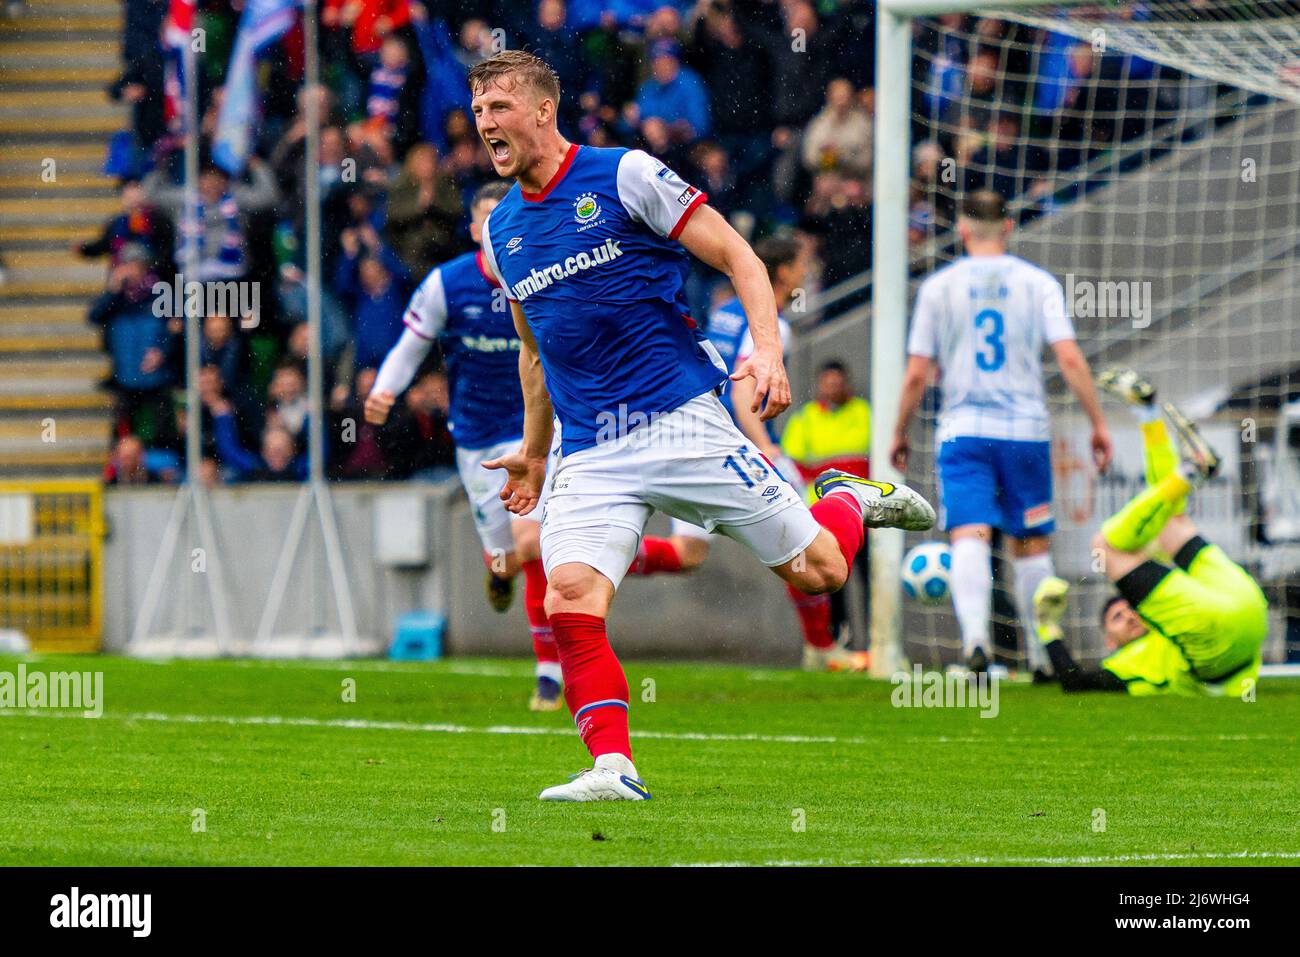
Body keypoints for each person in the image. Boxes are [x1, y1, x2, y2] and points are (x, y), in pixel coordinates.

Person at [468, 50, 934, 801]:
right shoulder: (505, 232)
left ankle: (849, 498)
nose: (486, 122)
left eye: (499, 107)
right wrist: (532, 453)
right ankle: (612, 767)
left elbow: (738, 255)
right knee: (570, 597)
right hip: (589, 450)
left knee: (821, 570)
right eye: (479, 110)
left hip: (683, 422)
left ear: (543, 110)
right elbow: (533, 352)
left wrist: (771, 350)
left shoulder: (625, 175)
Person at [890, 189, 1112, 677]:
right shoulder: (1038, 283)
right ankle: (1041, 656)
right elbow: (1070, 358)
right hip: (1026, 432)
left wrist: (899, 430)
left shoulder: (938, 287)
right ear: (1009, 227)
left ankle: (976, 645)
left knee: (969, 533)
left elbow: (915, 373)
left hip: (964, 431)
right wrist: (1098, 422)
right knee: (1030, 543)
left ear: (962, 230)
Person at [367, 181, 565, 713]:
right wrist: (387, 388)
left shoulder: (547, 273)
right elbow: (411, 345)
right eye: (484, 219)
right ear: (475, 229)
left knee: (533, 545)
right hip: (475, 438)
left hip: (534, 428)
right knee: (506, 558)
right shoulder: (447, 284)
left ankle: (548, 674)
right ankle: (497, 571)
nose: (494, 227)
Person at [622, 236, 861, 671]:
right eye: (802, 265)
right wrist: (763, 444)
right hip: (733, 447)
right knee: (806, 541)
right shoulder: (769, 322)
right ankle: (822, 649)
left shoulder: (726, 311)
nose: (807, 273)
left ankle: (604, 556)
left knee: (688, 553)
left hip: (689, 437)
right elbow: (742, 386)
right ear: (784, 272)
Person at [1035, 368, 1268, 697]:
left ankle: (1181, 459)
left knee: (1108, 545)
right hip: (1249, 613)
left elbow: (1073, 685)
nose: (1130, 616)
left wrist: (1047, 625)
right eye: (1117, 617)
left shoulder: (1156, 633)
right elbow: (1078, 681)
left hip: (1229, 625)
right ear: (1109, 642)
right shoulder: (1129, 662)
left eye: (1128, 609)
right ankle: (1149, 415)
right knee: (1172, 521)